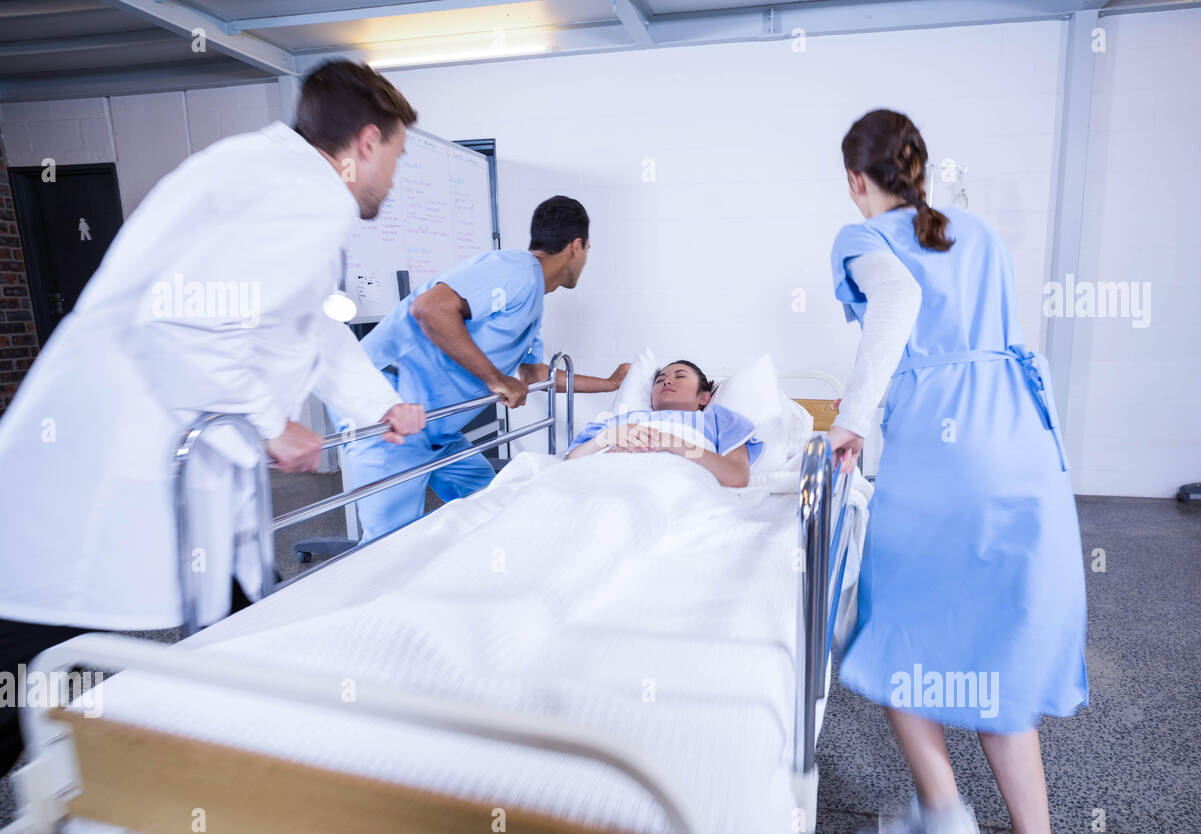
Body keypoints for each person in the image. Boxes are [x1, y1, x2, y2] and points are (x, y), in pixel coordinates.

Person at [0, 60, 428, 777]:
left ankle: (240, 749)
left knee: (219, 607)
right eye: (396, 156)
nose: (393, 176)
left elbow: (307, 326)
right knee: (36, 654)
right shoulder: (308, 196)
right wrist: (271, 424)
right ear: (364, 143)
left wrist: (377, 404)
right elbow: (186, 323)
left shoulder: (274, 175)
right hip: (107, 459)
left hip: (161, 456)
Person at [826, 109, 1087, 834]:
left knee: (891, 633)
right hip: (1022, 444)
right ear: (920, 168)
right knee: (994, 649)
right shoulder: (975, 233)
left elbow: (897, 306)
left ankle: (946, 832)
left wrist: (851, 421)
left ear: (855, 180)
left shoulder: (864, 236)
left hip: (947, 449)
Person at [338, 196, 629, 540]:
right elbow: (430, 309)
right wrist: (496, 379)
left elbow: (536, 376)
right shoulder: (514, 270)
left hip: (436, 429)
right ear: (576, 246)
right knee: (390, 548)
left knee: (494, 502)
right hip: (391, 416)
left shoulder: (533, 299)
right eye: (588, 249)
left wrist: (611, 384)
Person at [565, 360, 761, 489]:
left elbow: (736, 476)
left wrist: (670, 442)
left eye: (680, 376)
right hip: (611, 484)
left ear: (704, 397)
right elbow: (569, 464)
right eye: (660, 380)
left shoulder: (717, 419)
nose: (667, 381)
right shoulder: (620, 419)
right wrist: (606, 438)